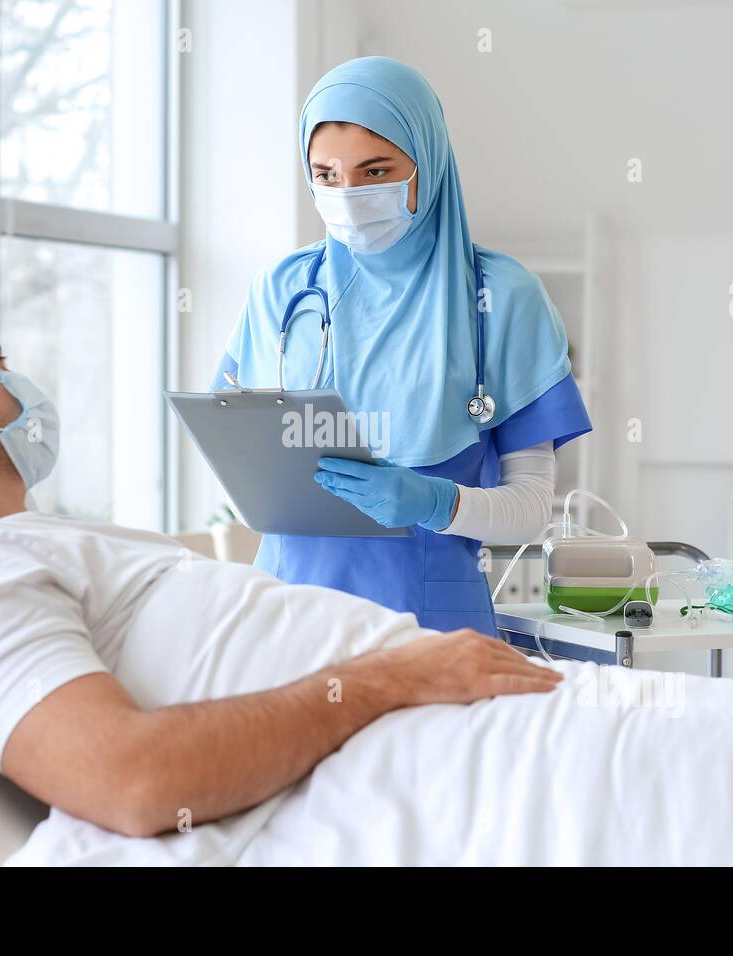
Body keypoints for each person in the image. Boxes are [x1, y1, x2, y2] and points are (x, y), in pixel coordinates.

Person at [0, 314, 563, 839]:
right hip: (459, 746)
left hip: (475, 711)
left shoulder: (40, 541)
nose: (20, 384)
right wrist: (393, 677)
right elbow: (131, 781)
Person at [213, 57, 591, 635]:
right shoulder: (282, 289)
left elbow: (532, 512)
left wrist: (438, 503)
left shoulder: (502, 296)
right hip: (285, 623)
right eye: (326, 174)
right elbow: (239, 461)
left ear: (428, 162)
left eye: (375, 171)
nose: (347, 195)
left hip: (431, 628)